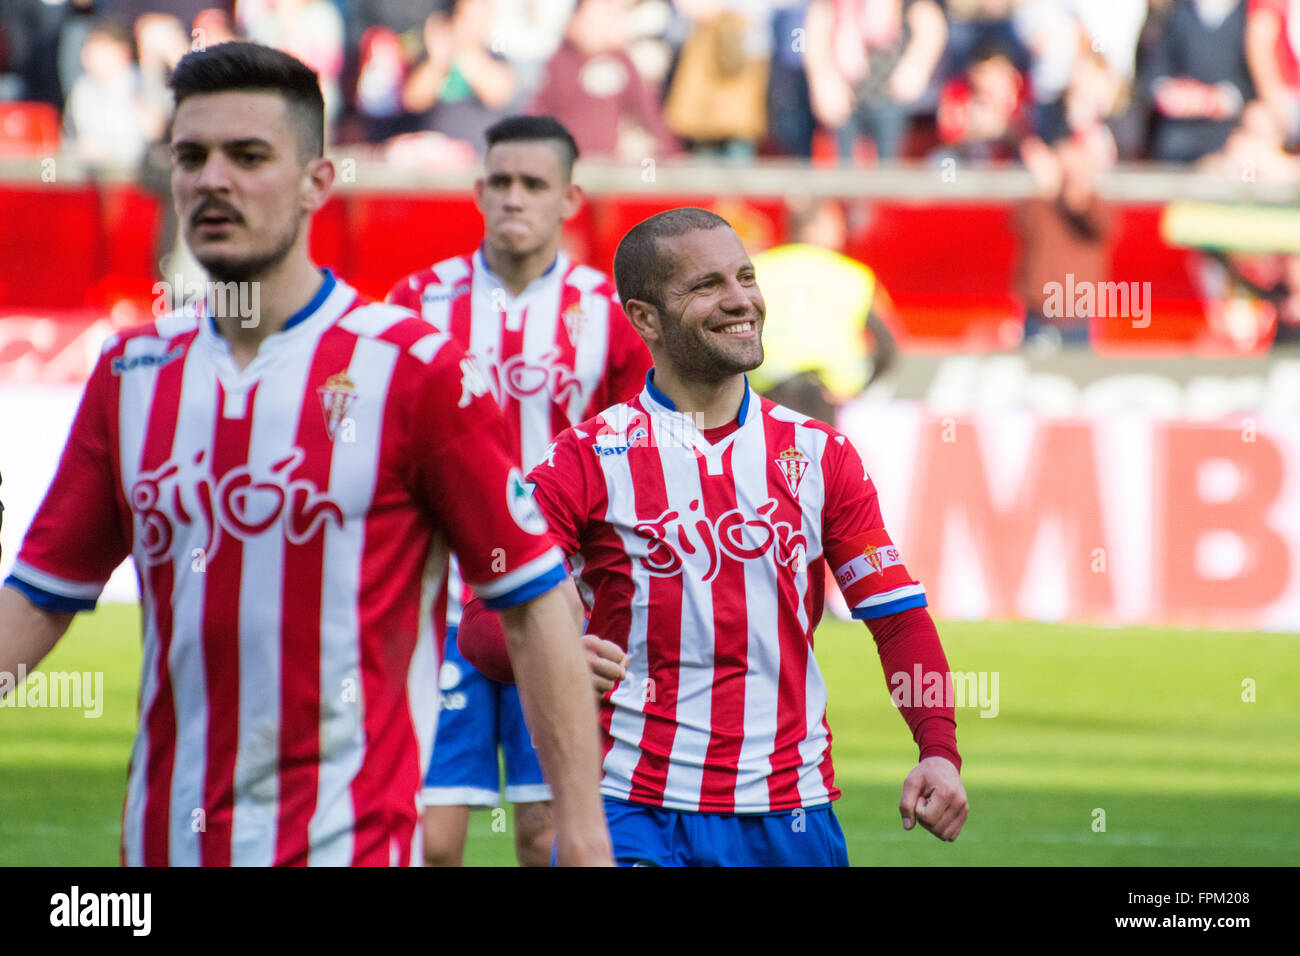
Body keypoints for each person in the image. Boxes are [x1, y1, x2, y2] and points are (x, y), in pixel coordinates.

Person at [0, 41, 611, 868]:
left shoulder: (415, 370)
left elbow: (533, 602)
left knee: (478, 833)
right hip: (162, 855)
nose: (213, 179)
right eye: (192, 156)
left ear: (317, 182)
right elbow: (41, 595)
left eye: (248, 156)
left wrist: (582, 833)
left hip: (347, 849)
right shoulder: (130, 373)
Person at [466, 207, 968, 866]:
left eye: (745, 277)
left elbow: (895, 616)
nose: (741, 301)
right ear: (645, 318)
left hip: (790, 816)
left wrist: (938, 748)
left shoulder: (820, 455)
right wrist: (551, 652)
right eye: (707, 286)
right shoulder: (586, 458)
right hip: (631, 808)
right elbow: (481, 622)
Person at [386, 114, 651, 866]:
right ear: (476, 191)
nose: (513, 198)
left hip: (562, 603)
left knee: (544, 831)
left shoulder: (611, 314)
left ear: (569, 198)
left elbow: (636, 459)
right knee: (432, 840)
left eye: (532, 184)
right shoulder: (417, 304)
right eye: (499, 182)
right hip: (440, 603)